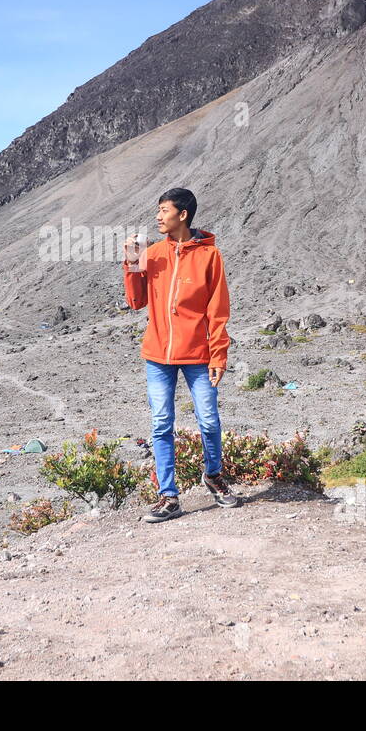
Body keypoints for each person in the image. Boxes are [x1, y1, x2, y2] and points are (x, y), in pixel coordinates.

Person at [123, 187, 240, 522]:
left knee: (209, 421)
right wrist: (132, 261)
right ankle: (169, 497)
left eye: (163, 210)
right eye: (157, 211)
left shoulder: (209, 257)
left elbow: (218, 311)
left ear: (182, 215)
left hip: (198, 355)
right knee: (161, 424)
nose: (158, 217)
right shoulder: (154, 253)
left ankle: (214, 475)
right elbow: (136, 301)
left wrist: (219, 355)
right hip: (157, 354)